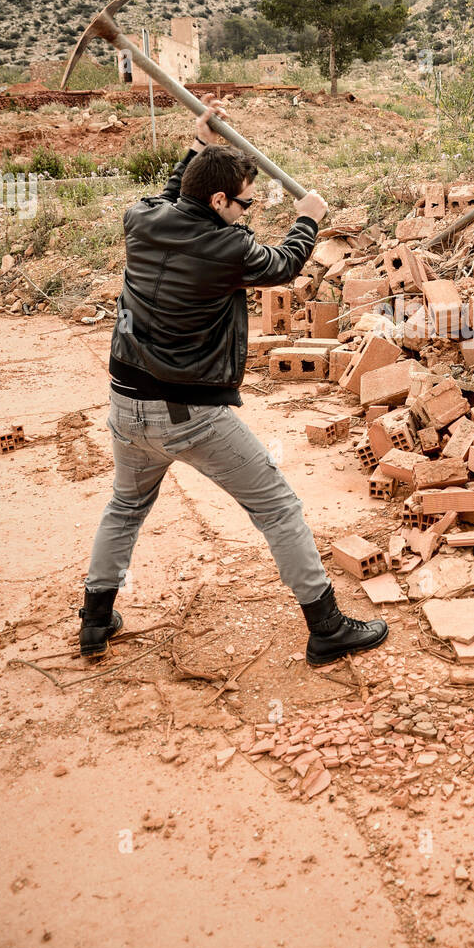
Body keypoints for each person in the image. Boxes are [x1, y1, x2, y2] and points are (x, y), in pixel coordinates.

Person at [79, 100, 388, 666]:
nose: (249, 213)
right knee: (278, 508)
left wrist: (197, 149)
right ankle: (327, 628)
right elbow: (283, 265)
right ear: (219, 200)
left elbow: (177, 194)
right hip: (188, 412)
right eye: (245, 202)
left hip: (124, 404)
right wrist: (309, 217)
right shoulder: (229, 247)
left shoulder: (140, 218)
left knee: (125, 504)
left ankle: (95, 621)